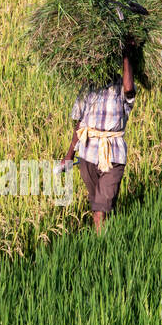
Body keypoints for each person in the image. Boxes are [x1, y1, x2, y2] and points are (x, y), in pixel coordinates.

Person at [60, 41, 137, 232]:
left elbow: (129, 88)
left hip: (113, 155)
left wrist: (127, 54)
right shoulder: (88, 89)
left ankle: (100, 244)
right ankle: (111, 232)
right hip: (88, 154)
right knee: (98, 202)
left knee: (100, 208)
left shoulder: (122, 87)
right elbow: (79, 123)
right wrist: (70, 155)